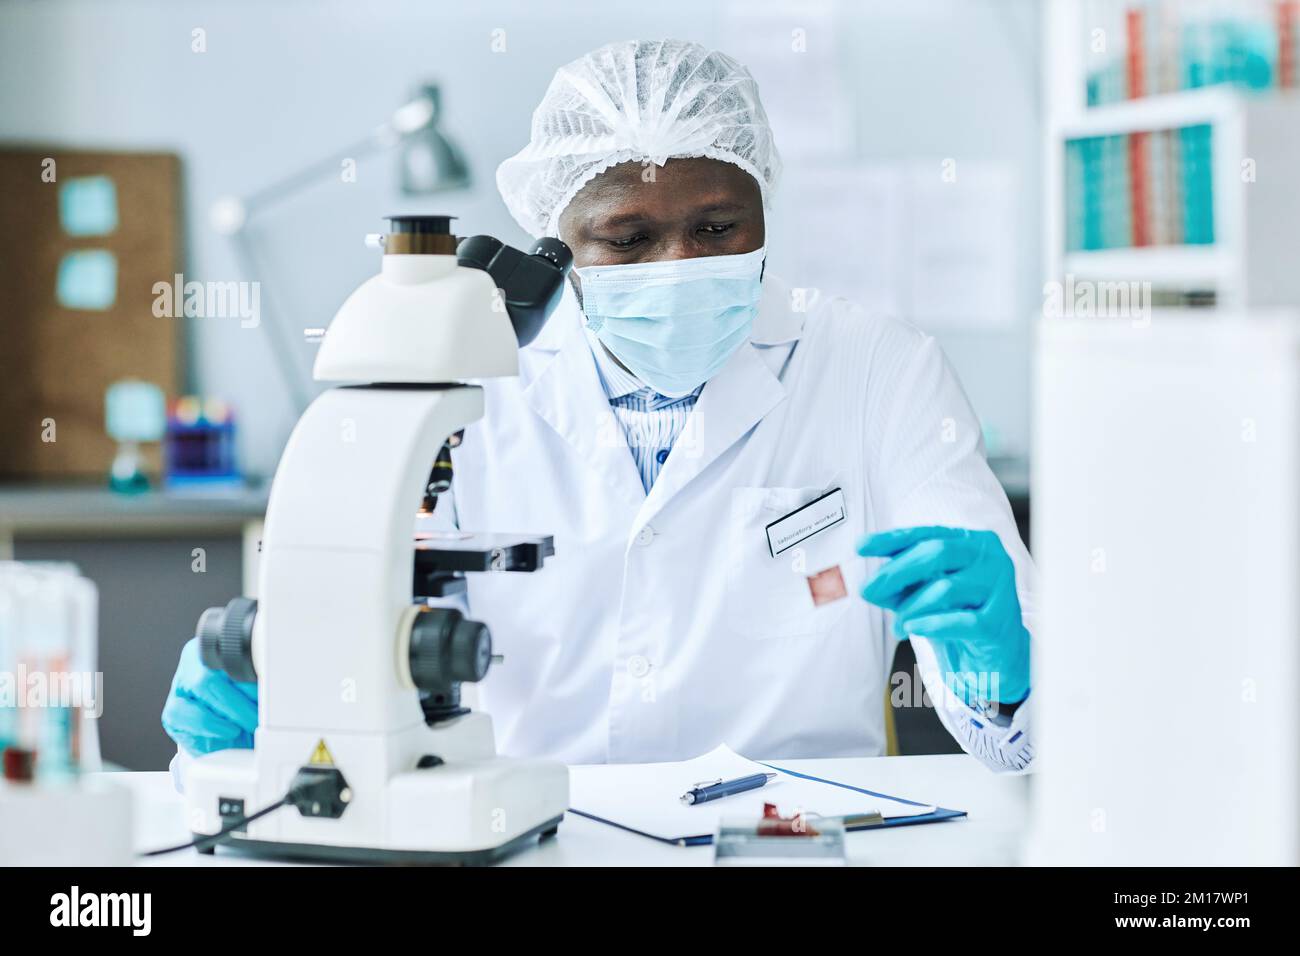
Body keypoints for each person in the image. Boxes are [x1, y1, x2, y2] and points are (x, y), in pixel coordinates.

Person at [164, 39, 1035, 776]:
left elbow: (1015, 747)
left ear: (765, 205)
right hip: (532, 830)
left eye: (719, 226)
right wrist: (275, 706)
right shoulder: (468, 381)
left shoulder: (881, 371)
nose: (681, 261)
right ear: (558, 240)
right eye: (628, 238)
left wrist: (1003, 677)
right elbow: (360, 661)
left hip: (792, 838)